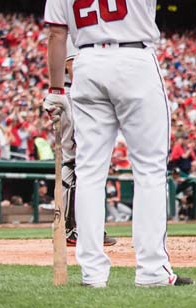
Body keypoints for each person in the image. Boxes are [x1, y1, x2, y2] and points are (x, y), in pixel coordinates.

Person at [42, 0, 196, 288]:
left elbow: (55, 33)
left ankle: (92, 273)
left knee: (89, 171)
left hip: (85, 63)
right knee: (149, 169)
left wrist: (55, 90)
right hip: (133, 58)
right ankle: (151, 270)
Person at [60, 36, 118, 248]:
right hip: (74, 96)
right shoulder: (73, 33)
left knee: (88, 163)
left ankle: (87, 227)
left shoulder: (87, 33)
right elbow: (71, 67)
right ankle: (71, 228)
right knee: (75, 162)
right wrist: (88, 102)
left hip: (80, 97)